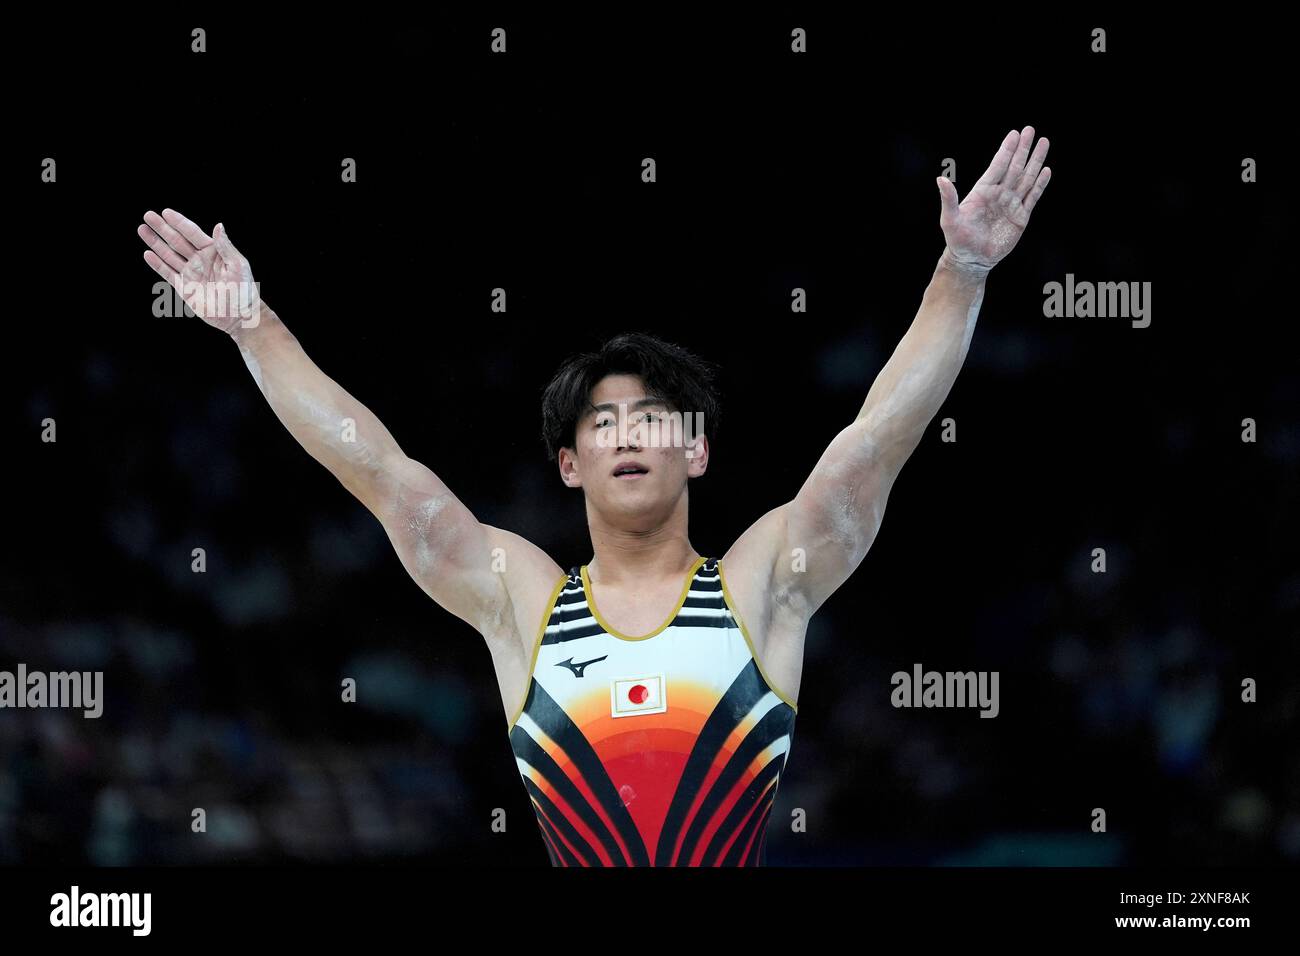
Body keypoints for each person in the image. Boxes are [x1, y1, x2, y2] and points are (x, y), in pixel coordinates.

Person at [137, 126, 1051, 865]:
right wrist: (252, 326)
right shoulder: (519, 602)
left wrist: (959, 273)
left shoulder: (764, 586)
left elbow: (871, 448)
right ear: (568, 465)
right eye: (601, 423)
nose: (625, 435)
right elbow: (379, 471)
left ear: (696, 451)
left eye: (652, 418)